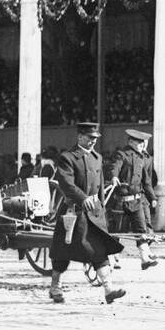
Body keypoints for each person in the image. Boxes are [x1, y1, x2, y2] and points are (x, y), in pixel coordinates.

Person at [47, 122, 125, 306]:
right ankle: (55, 286)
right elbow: (66, 183)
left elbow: (100, 187)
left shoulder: (97, 158)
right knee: (62, 253)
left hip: (95, 214)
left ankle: (108, 289)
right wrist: (83, 198)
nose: (93, 142)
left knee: (99, 250)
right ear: (80, 137)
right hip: (73, 213)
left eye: (95, 139)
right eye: (90, 138)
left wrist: (101, 209)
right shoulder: (67, 157)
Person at [113, 129, 159, 269]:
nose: (142, 145)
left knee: (141, 229)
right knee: (118, 231)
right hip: (121, 201)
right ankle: (114, 258)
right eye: (139, 142)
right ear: (131, 142)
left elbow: (147, 181)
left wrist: (152, 198)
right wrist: (114, 176)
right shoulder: (122, 155)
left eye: (143, 142)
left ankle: (145, 259)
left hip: (137, 200)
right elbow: (115, 167)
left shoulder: (143, 159)